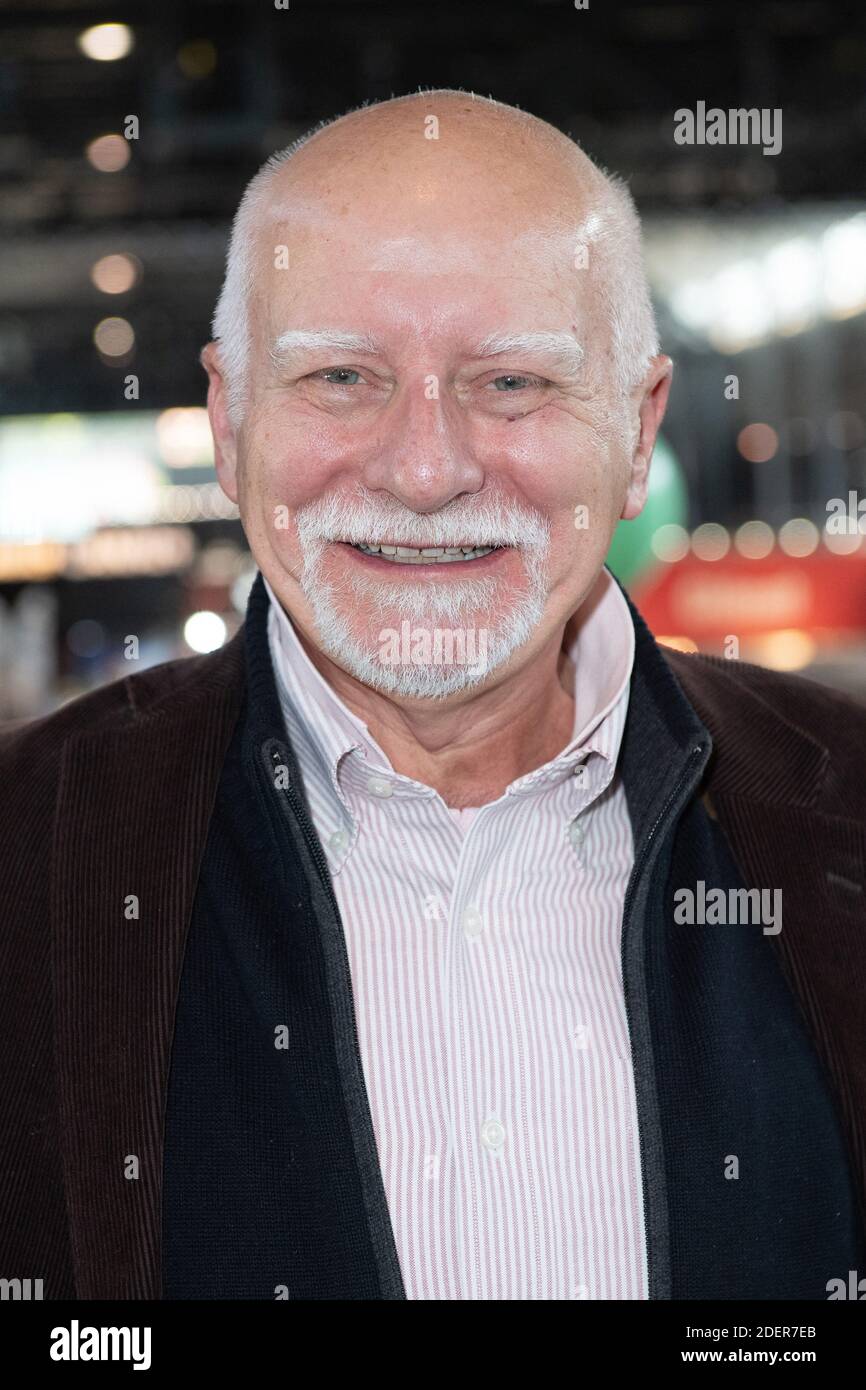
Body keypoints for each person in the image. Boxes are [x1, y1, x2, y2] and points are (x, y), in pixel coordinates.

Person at [2, 89, 865, 1302]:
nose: (425, 470)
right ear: (230, 419)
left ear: (635, 430)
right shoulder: (25, 847)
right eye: (343, 376)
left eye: (510, 382)